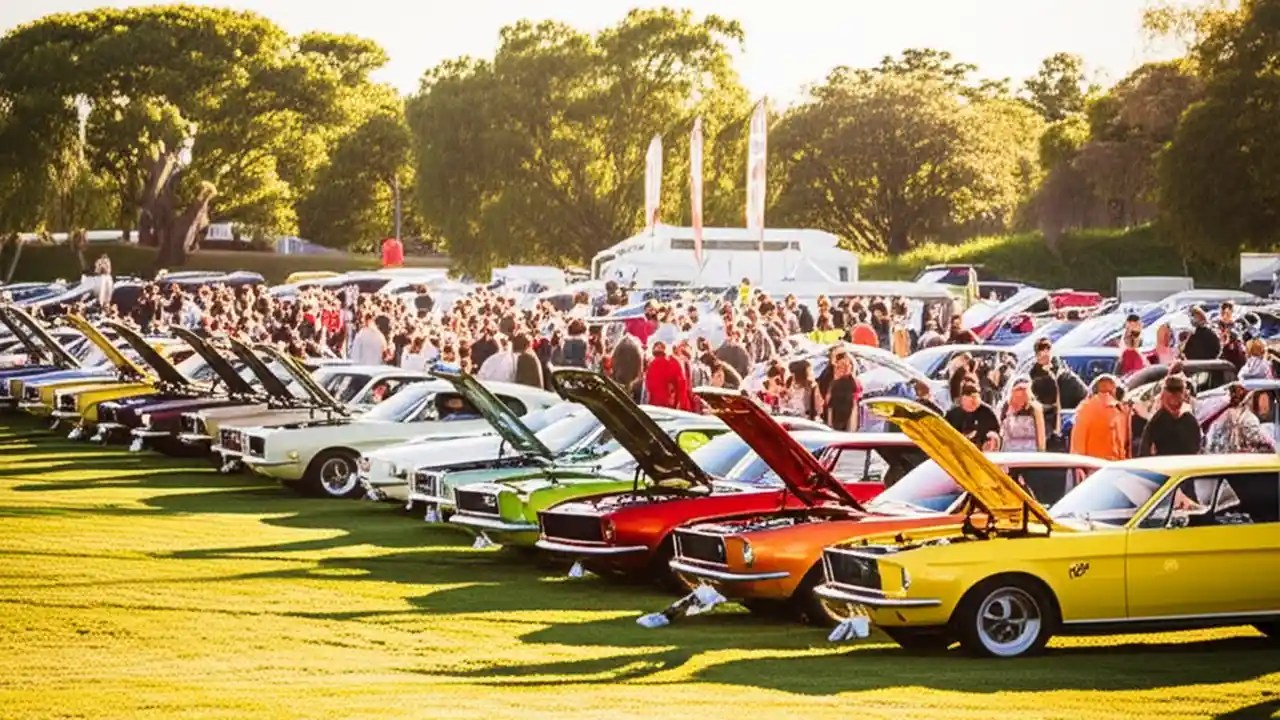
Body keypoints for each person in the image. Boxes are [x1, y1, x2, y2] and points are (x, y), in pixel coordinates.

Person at [1138, 375, 1202, 456]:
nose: (1174, 402)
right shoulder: (1157, 421)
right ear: (1163, 397)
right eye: (1171, 399)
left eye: (1177, 399)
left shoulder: (1190, 421)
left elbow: (1197, 448)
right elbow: (1144, 451)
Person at [1069, 374, 1129, 461]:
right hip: (1115, 465)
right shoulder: (1121, 411)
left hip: (1089, 464)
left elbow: (1077, 445)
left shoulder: (1085, 407)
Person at [1205, 383, 1276, 454]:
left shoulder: (1230, 413)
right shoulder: (1249, 418)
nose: (1265, 406)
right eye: (1263, 400)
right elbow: (1257, 438)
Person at [944, 382, 1000, 450]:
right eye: (969, 400)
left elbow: (995, 432)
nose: (972, 402)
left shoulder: (987, 412)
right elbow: (945, 433)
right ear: (962, 399)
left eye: (975, 398)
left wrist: (992, 440)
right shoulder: (953, 414)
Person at [999, 377, 1046, 451]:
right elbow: (1002, 431)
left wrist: (1041, 452)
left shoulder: (1035, 408)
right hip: (1009, 451)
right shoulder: (1007, 406)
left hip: (1030, 452)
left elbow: (1041, 436)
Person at [824, 349, 860, 431]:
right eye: (839, 367)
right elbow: (829, 405)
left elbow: (829, 404)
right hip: (838, 418)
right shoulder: (834, 384)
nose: (842, 369)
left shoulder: (853, 383)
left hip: (844, 418)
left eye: (846, 366)